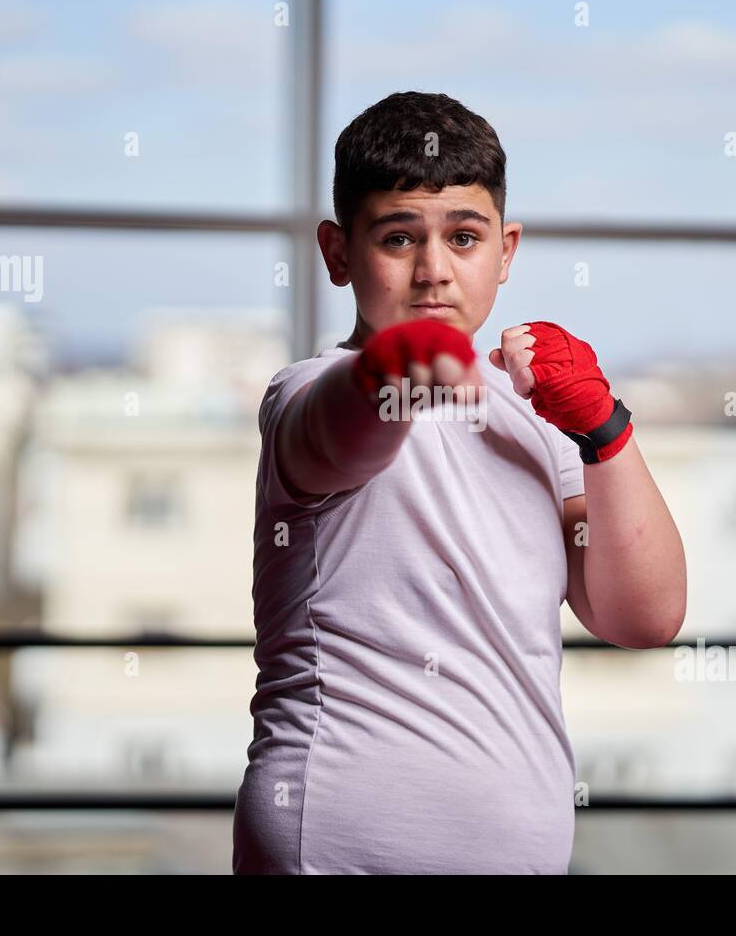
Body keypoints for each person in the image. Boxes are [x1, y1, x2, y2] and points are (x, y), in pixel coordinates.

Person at [232, 91, 686, 874]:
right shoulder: (308, 389)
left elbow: (641, 616)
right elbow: (340, 435)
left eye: (464, 237)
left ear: (505, 251)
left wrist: (605, 428)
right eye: (399, 237)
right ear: (339, 254)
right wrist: (404, 365)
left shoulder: (534, 409)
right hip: (333, 847)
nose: (434, 270)